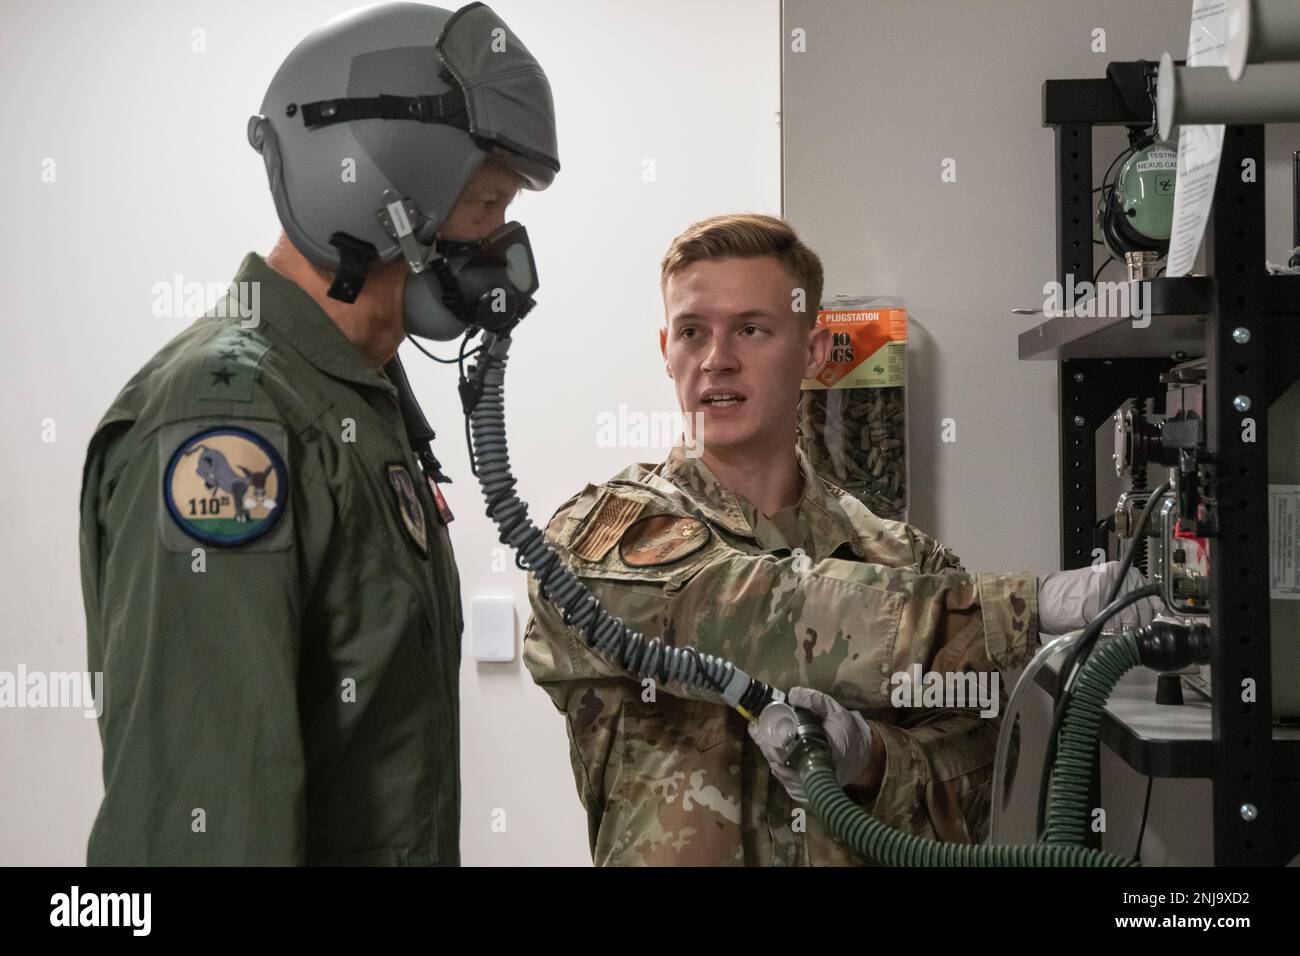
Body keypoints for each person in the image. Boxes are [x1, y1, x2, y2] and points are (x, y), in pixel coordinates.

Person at [522, 213, 1158, 866]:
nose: (717, 359)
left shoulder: (906, 560)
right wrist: (1023, 605)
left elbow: (983, 767)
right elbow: (742, 610)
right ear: (666, 351)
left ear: (814, 351)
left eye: (750, 329)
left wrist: (872, 760)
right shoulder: (596, 537)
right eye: (692, 332)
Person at [78, 1, 558, 865]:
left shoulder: (354, 401)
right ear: (380, 199)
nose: (502, 241)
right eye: (486, 203)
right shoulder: (230, 416)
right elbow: (210, 812)